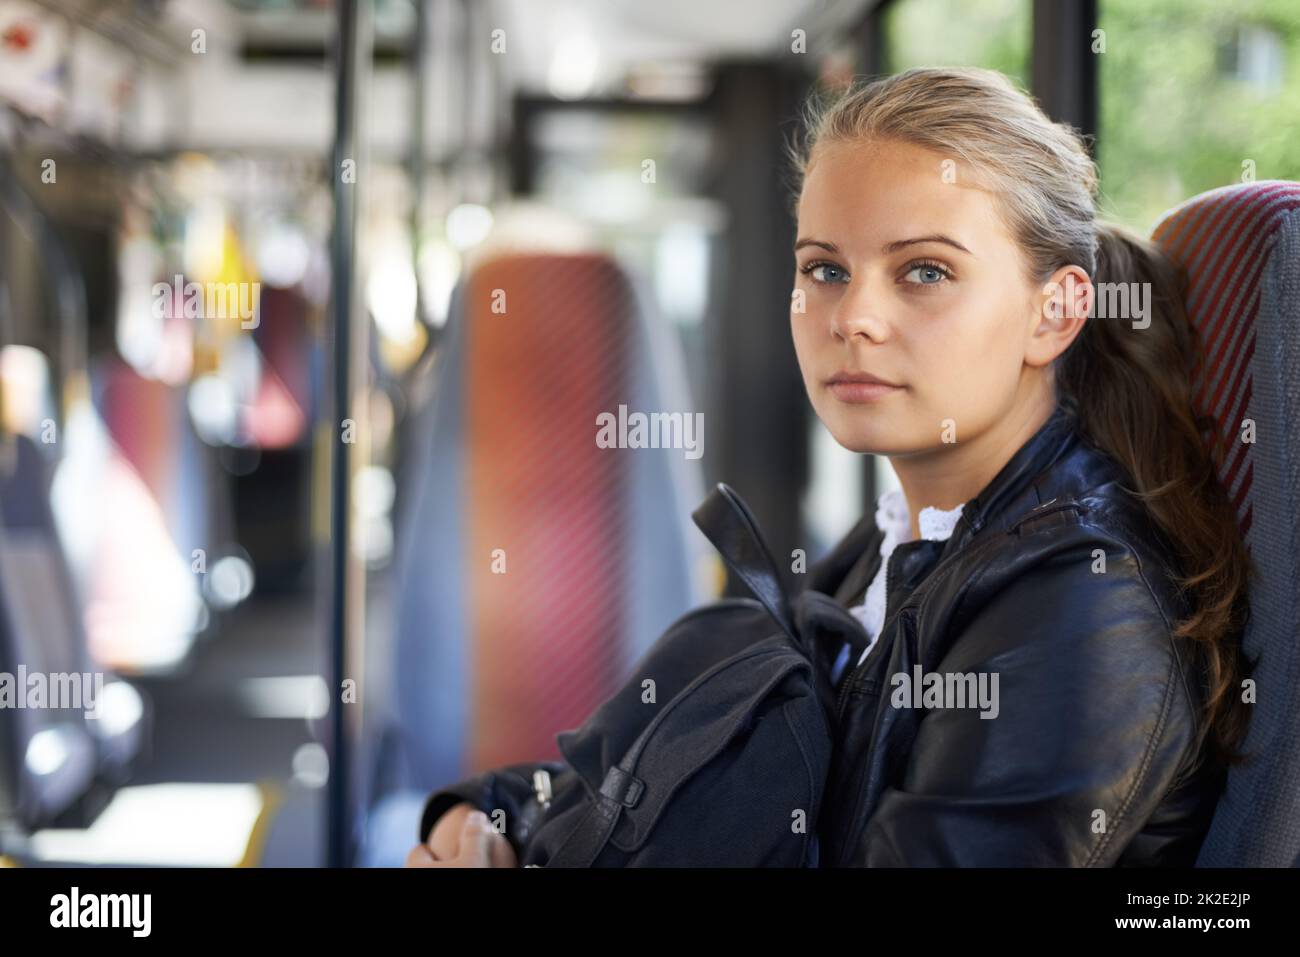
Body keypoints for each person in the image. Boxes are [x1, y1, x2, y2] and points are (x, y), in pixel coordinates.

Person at [406, 66, 1254, 868]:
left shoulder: (1084, 610)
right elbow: (666, 765)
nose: (854, 317)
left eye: (925, 271)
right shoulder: (894, 545)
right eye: (825, 269)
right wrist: (483, 817)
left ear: (1055, 311)